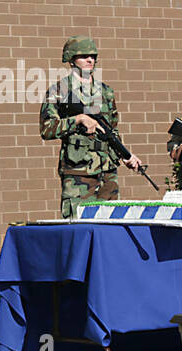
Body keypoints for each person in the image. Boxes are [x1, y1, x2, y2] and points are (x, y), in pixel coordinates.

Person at [40, 36, 143, 217]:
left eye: (93, 56)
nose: (90, 60)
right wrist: (78, 119)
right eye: (84, 56)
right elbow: (47, 129)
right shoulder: (59, 90)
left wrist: (125, 155)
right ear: (71, 59)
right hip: (79, 173)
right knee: (79, 224)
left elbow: (112, 130)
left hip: (107, 172)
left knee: (111, 226)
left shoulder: (105, 91)